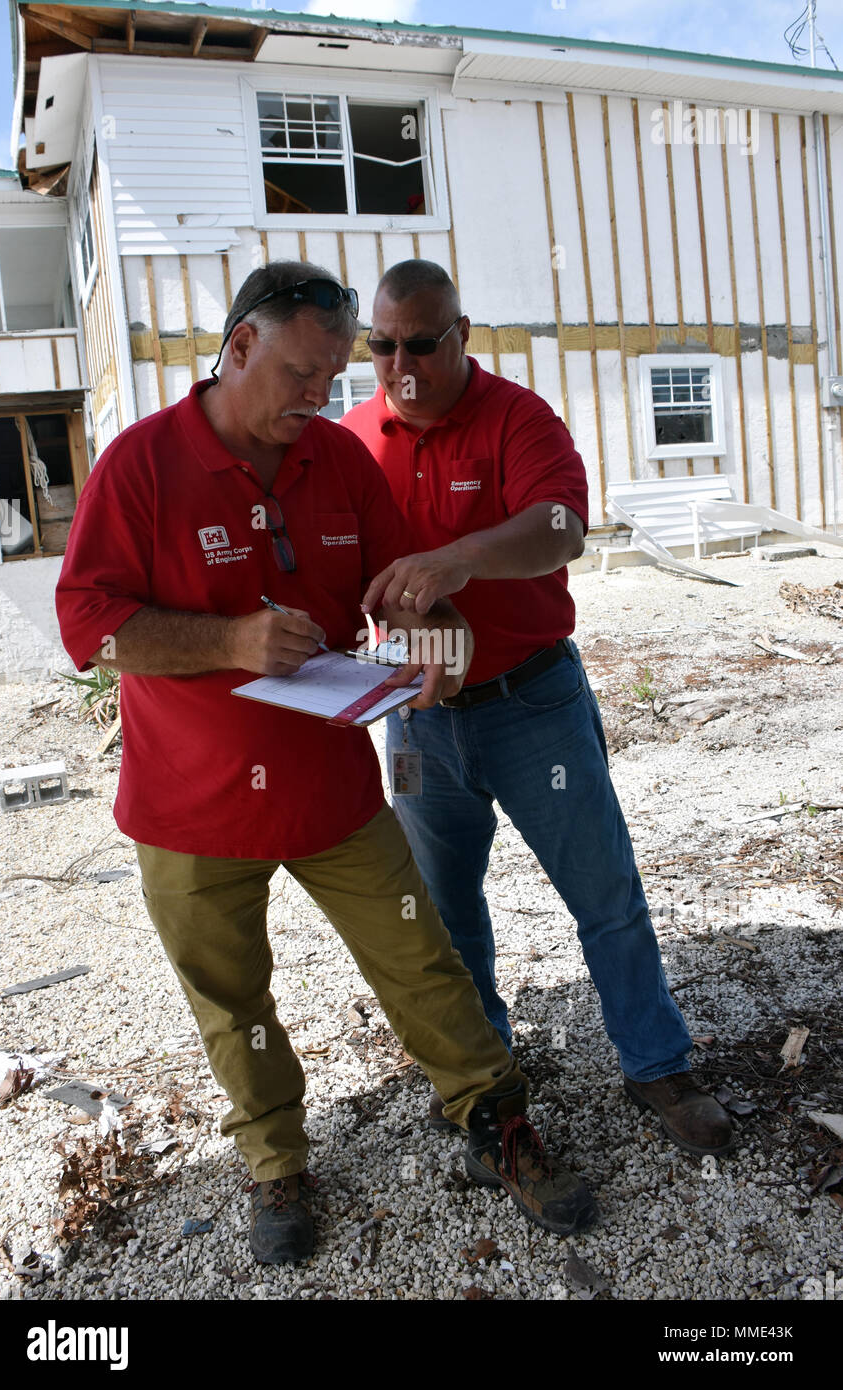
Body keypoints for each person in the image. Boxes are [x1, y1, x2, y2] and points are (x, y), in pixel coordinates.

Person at [55, 261, 599, 1267]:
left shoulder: (335, 465)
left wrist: (436, 652)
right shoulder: (140, 465)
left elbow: (405, 603)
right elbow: (90, 628)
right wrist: (228, 642)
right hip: (188, 810)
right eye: (302, 374)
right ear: (238, 346)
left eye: (332, 378)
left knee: (420, 958)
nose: (320, 397)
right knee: (234, 1001)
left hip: (335, 793)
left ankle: (493, 1121)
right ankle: (276, 1161)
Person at [341, 260, 732, 1158]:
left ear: (463, 333)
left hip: (533, 702)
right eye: (383, 345)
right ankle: (489, 1089)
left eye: (423, 343)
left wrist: (461, 557)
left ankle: (656, 1064)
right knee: (444, 915)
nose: (402, 364)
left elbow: (562, 526)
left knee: (605, 893)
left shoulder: (519, 418)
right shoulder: (353, 438)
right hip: (418, 715)